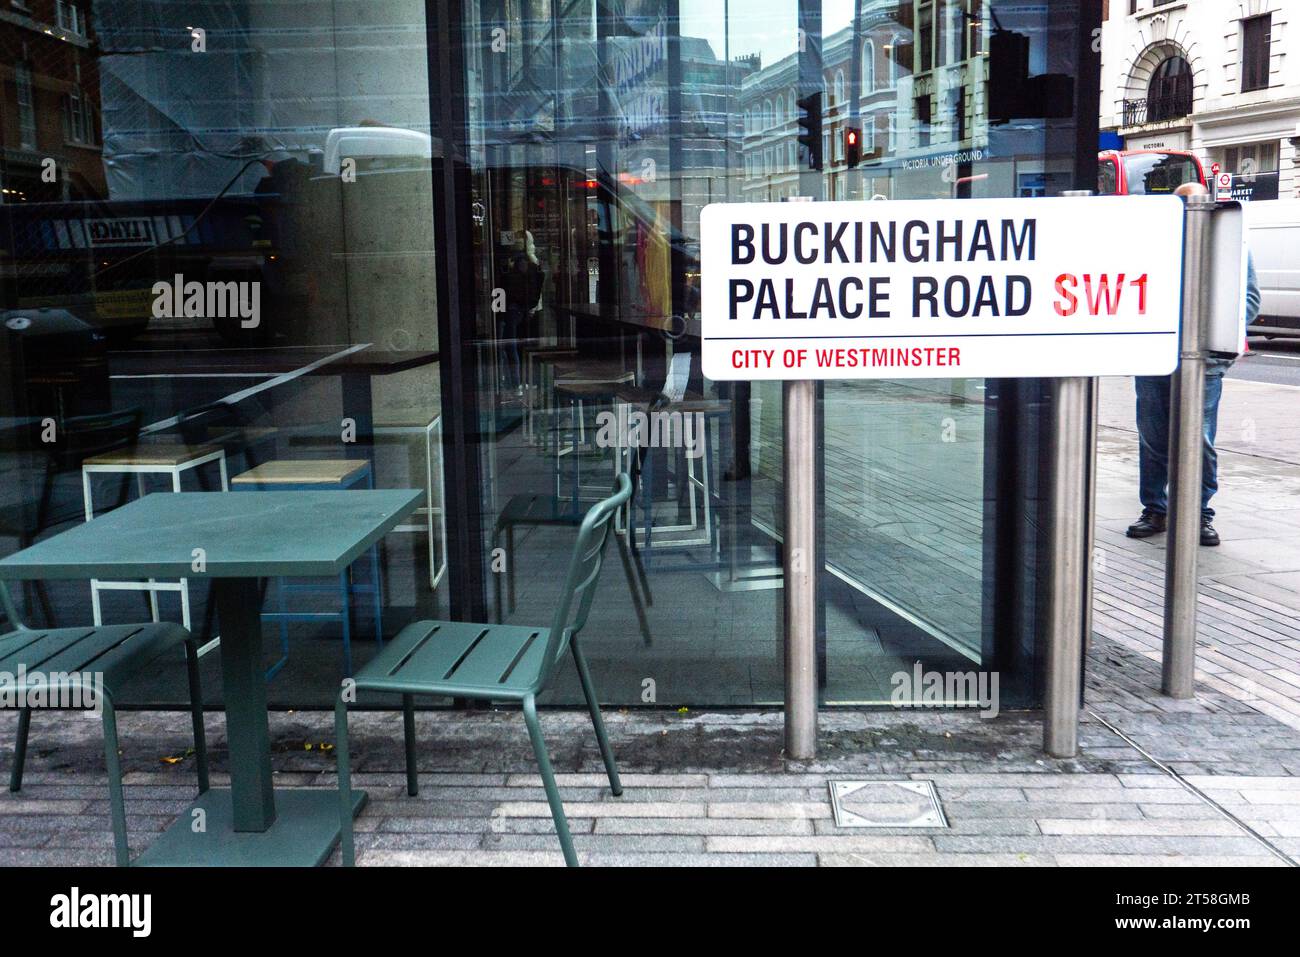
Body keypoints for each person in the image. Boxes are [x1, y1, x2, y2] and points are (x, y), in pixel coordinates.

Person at [1126, 181, 1261, 546]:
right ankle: (1156, 508)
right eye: (1183, 207)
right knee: (1153, 437)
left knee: (1199, 439)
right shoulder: (1156, 246)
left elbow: (1248, 300)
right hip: (1156, 358)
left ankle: (1200, 513)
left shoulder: (1227, 244)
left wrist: (1213, 341)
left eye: (1195, 206)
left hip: (1204, 362)